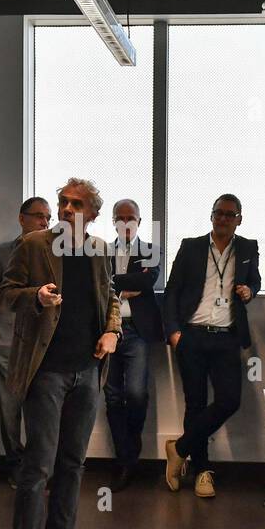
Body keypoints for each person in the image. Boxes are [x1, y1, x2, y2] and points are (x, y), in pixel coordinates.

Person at [0, 177, 121, 529]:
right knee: (39, 464)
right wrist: (36, 296)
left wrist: (113, 332)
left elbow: (112, 296)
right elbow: (5, 294)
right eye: (63, 202)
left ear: (92, 213)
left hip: (88, 369)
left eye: (76, 204)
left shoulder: (101, 249)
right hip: (45, 370)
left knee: (73, 461)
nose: (67, 209)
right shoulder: (35, 245)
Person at [162, 195, 261, 499]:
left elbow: (255, 281)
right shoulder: (191, 246)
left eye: (230, 214)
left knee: (230, 400)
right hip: (191, 335)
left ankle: (178, 449)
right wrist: (174, 333)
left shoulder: (247, 247)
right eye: (218, 213)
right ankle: (202, 471)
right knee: (196, 404)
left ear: (239, 220)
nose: (223, 218)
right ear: (211, 216)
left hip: (226, 336)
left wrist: (249, 291)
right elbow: (172, 292)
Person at [0, 196, 52, 487]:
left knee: (42, 411)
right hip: (6, 344)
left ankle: (39, 467)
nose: (44, 222)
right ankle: (15, 466)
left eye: (48, 217)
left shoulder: (54, 254)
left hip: (43, 346)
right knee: (10, 413)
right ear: (22, 219)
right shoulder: (0, 253)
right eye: (38, 216)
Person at [105, 198, 162, 492]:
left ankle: (131, 449)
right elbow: (99, 284)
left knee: (136, 393)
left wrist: (114, 282)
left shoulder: (151, 250)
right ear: (113, 221)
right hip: (108, 330)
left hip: (137, 331)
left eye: (131, 218)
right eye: (120, 217)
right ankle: (124, 460)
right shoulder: (101, 249)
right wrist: (127, 285)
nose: (125, 222)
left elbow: (148, 281)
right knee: (113, 396)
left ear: (139, 222)